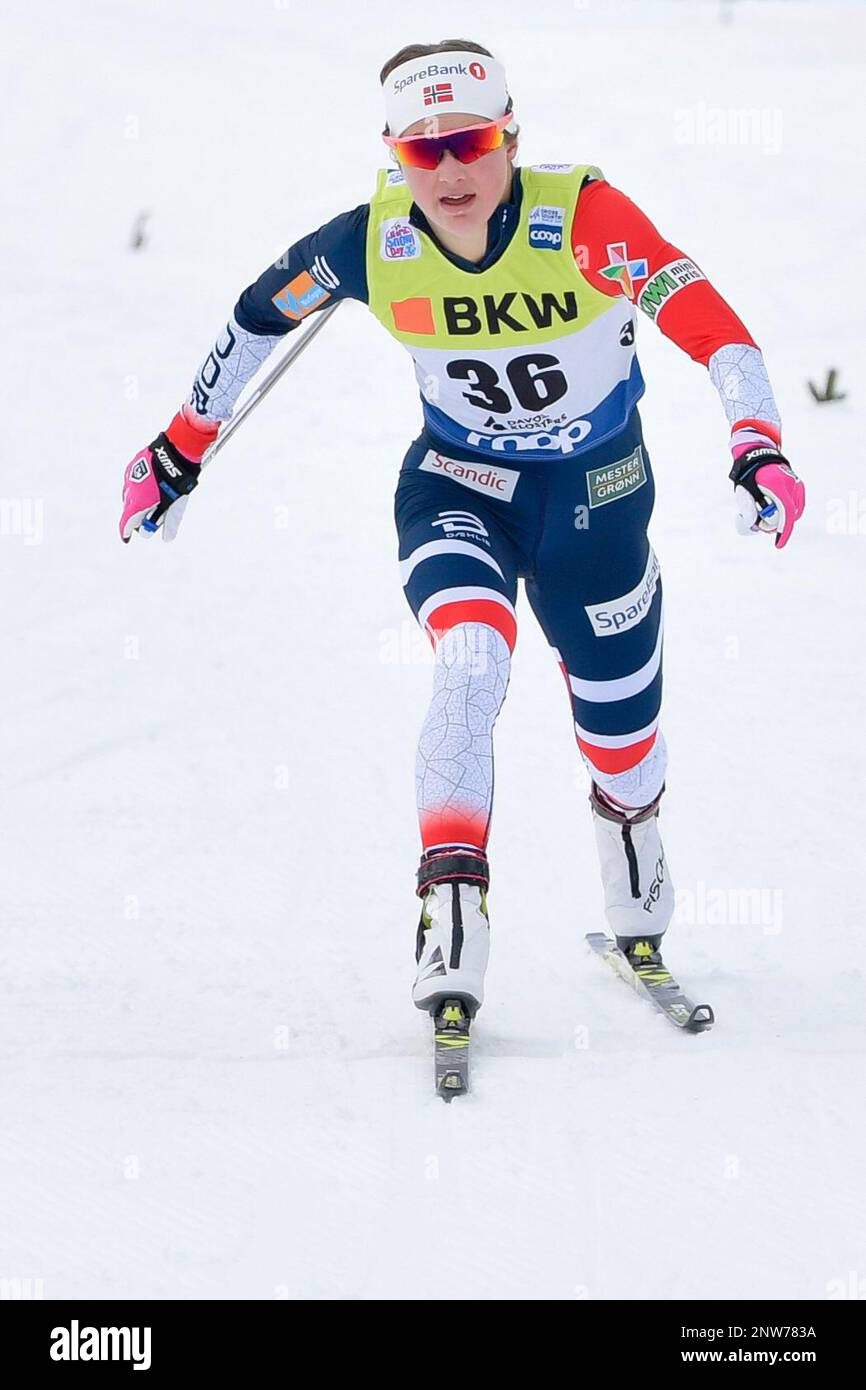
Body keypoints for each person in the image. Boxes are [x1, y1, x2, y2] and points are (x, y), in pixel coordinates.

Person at [119, 38, 805, 1022]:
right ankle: (449, 912)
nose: (448, 170)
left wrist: (756, 442)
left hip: (596, 497)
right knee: (471, 659)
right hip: (457, 488)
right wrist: (179, 446)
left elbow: (713, 327)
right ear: (393, 154)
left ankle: (634, 900)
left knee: (624, 748)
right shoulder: (370, 241)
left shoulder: (585, 221)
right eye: (420, 150)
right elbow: (259, 316)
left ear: (511, 138)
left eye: (469, 142)